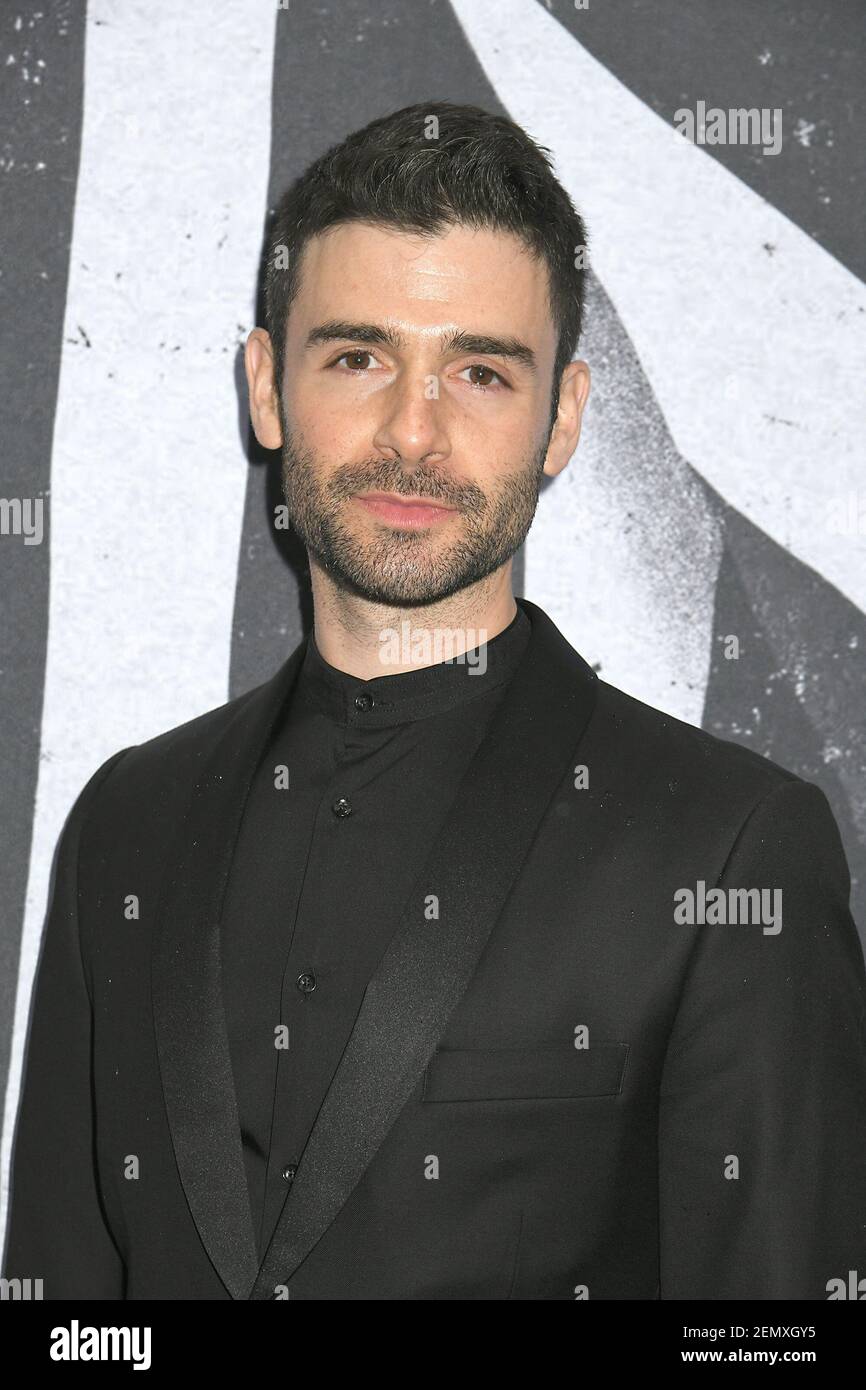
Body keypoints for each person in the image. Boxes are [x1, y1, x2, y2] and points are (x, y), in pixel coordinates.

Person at [4, 101, 865, 1301]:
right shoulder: (124, 826)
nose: (414, 429)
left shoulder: (727, 849)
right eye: (358, 356)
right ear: (266, 387)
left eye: (478, 370)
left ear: (560, 417)